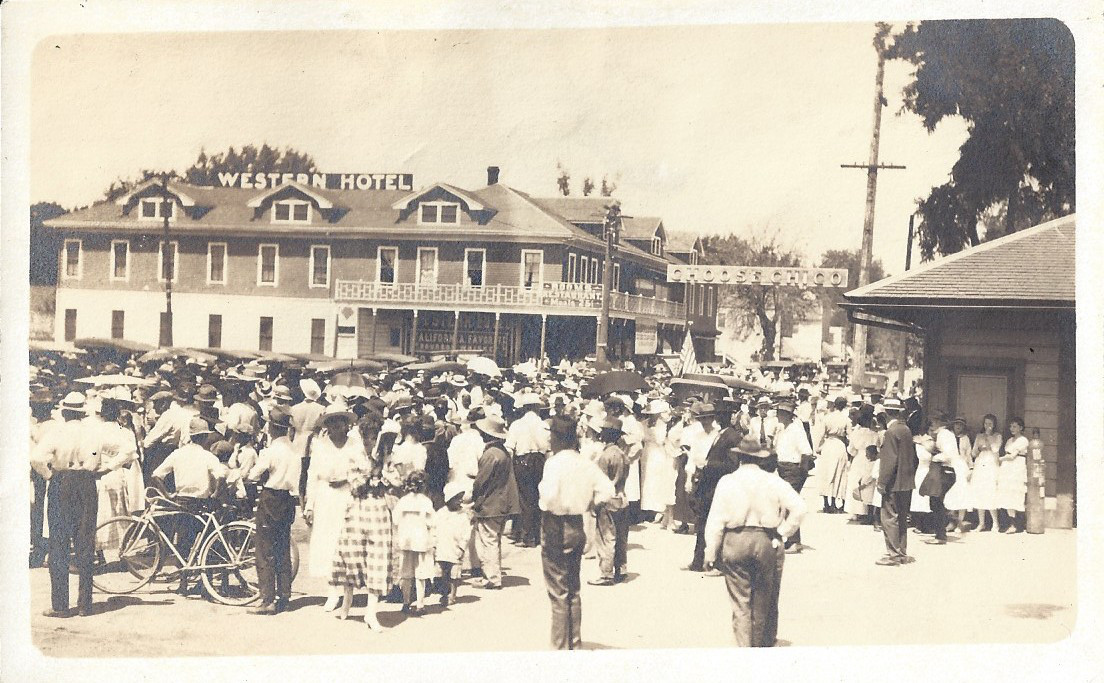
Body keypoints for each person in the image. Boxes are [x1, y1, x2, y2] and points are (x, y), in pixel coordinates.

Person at [703, 436, 807, 647]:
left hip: (735, 540)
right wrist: (784, 531)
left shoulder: (727, 481)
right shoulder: (773, 480)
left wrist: (710, 552)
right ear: (760, 458)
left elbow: (715, 520)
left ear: (738, 457)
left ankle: (745, 648)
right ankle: (761, 645)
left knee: (740, 602)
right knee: (763, 600)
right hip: (765, 539)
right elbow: (799, 507)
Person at [538, 413, 615, 650]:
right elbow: (607, 490)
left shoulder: (554, 462)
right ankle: (574, 642)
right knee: (573, 588)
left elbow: (549, 498)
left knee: (558, 591)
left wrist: (548, 502)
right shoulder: (585, 463)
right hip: (576, 525)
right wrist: (591, 503)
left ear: (560, 437)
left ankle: (560, 647)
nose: (549, 440)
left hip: (555, 524)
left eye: (552, 435)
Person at [31, 392, 99, 617]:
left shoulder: (57, 432)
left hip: (62, 482)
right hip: (86, 483)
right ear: (81, 412)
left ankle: (60, 605)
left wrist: (50, 476)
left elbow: (36, 458)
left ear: (64, 412)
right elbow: (105, 457)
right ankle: (85, 604)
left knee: (58, 544)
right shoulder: (92, 432)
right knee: (85, 542)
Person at [150, 416, 229, 594]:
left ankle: (183, 584)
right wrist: (216, 493)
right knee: (206, 543)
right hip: (204, 503)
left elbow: (156, 475)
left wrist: (166, 494)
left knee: (184, 542)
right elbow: (221, 476)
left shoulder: (178, 454)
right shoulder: (207, 456)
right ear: (204, 437)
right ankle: (205, 584)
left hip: (182, 502)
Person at [330, 412, 392, 630]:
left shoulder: (386, 457)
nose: (370, 442)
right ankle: (346, 603)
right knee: (352, 556)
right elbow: (355, 485)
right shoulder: (355, 456)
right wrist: (371, 472)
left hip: (378, 510)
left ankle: (371, 613)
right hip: (358, 508)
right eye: (367, 437)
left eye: (374, 438)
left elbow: (394, 482)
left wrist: (383, 468)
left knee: (378, 559)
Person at [245, 406, 302, 614]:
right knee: (282, 548)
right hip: (288, 499)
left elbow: (254, 474)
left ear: (271, 427)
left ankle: (267, 599)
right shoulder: (294, 450)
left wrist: (249, 476)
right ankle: (284, 595)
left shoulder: (271, 451)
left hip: (270, 498)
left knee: (264, 550)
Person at [687, 399, 742, 574]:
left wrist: (708, 466)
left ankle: (718, 563)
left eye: (721, 415)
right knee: (703, 523)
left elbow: (731, 465)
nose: (718, 418)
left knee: (716, 524)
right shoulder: (723, 434)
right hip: (709, 485)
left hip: (717, 485)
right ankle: (698, 561)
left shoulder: (732, 436)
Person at [470, 415, 521, 589]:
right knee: (495, 540)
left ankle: (491, 577)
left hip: (490, 503)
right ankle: (493, 574)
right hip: (501, 502)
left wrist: (474, 495)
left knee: (488, 541)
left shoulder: (490, 454)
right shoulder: (503, 452)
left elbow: (481, 481)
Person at [875, 398, 918, 565]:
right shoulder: (906, 430)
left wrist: (882, 482)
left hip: (893, 482)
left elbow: (889, 460)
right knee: (901, 518)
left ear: (886, 413)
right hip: (906, 482)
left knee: (889, 517)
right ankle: (901, 552)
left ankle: (893, 554)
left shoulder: (890, 432)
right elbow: (914, 458)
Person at [505, 393, 551, 548]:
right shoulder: (544, 425)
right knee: (538, 497)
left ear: (524, 408)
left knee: (524, 500)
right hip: (540, 461)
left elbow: (510, 448)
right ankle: (537, 535)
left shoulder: (517, 425)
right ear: (537, 407)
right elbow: (548, 449)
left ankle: (527, 536)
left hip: (522, 462)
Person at [589, 417, 630, 586]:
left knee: (606, 537)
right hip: (622, 496)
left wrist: (594, 501)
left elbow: (601, 482)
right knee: (621, 536)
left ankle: (606, 573)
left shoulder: (605, 456)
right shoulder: (622, 454)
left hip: (608, 499)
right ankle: (621, 568)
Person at [393, 470, 436, 615]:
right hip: (421, 540)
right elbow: (431, 521)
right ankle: (420, 604)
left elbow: (395, 520)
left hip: (406, 540)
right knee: (421, 572)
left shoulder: (403, 501)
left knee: (406, 573)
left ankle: (406, 602)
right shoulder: (425, 501)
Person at [772, 401, 813, 553]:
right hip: (783, 468)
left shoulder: (796, 429)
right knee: (786, 504)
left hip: (793, 469)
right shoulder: (783, 429)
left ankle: (794, 542)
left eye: (780, 413)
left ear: (787, 415)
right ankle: (792, 539)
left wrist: (801, 472)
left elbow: (806, 452)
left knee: (790, 504)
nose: (778, 415)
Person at [433, 482, 473, 607]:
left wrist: (462, 547)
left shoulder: (462, 516)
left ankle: (452, 595)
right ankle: (444, 593)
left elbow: (466, 533)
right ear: (449, 498)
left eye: (461, 497)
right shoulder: (440, 513)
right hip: (442, 547)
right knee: (441, 572)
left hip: (455, 548)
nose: (460, 500)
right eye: (457, 497)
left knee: (454, 574)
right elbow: (434, 529)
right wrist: (434, 544)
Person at [638, 399, 677, 527]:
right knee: (647, 480)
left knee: (657, 480)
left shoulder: (662, 425)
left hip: (658, 454)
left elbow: (661, 440)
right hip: (648, 452)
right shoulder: (644, 423)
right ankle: (650, 508)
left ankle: (659, 509)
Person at [926, 411, 960, 545]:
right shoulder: (944, 434)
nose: (932, 424)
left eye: (934, 421)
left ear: (940, 422)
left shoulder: (944, 435)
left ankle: (941, 535)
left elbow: (948, 455)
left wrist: (933, 455)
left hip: (945, 470)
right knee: (935, 501)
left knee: (936, 502)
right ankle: (941, 531)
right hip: (944, 471)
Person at [816, 397, 850, 514]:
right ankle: (834, 503)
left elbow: (820, 435)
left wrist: (818, 448)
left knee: (826, 473)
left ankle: (826, 503)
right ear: (844, 406)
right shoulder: (846, 419)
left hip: (828, 445)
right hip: (840, 445)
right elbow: (849, 436)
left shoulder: (827, 418)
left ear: (834, 405)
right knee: (838, 473)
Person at [970, 414, 1002, 531]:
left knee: (990, 492)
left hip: (991, 465)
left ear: (994, 425)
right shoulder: (979, 436)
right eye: (985, 423)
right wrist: (979, 448)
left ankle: (995, 523)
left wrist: (988, 440)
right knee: (980, 492)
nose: (987, 426)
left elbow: (995, 449)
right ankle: (981, 523)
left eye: (990, 424)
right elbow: (973, 453)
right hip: (980, 464)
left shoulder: (997, 436)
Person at [997, 417, 1029, 533]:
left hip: (1016, 468)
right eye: (1011, 426)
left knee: (1015, 494)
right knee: (1007, 494)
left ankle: (1017, 524)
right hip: (1008, 469)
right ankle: (1010, 523)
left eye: (1015, 426)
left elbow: (1012, 456)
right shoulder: (1010, 440)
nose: (1012, 429)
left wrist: (998, 459)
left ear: (1021, 428)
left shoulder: (1023, 440)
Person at [943, 416, 974, 533]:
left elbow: (968, 454)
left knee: (962, 493)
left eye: (961, 425)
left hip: (962, 466)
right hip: (951, 465)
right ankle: (951, 521)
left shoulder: (965, 438)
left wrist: (970, 468)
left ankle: (960, 522)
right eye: (956, 424)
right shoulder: (948, 437)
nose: (958, 426)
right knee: (950, 494)